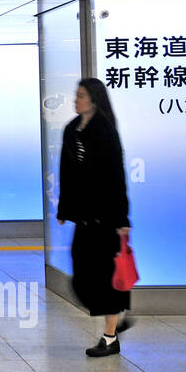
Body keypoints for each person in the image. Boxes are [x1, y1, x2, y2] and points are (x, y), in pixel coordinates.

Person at [57, 78, 132, 357]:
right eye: (76, 95)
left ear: (93, 99)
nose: (76, 100)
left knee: (105, 277)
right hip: (84, 216)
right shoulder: (71, 129)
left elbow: (117, 176)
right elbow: (66, 171)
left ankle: (110, 337)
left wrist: (122, 219)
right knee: (81, 275)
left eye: (81, 96)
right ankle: (115, 315)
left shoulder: (105, 130)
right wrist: (64, 209)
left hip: (107, 216)